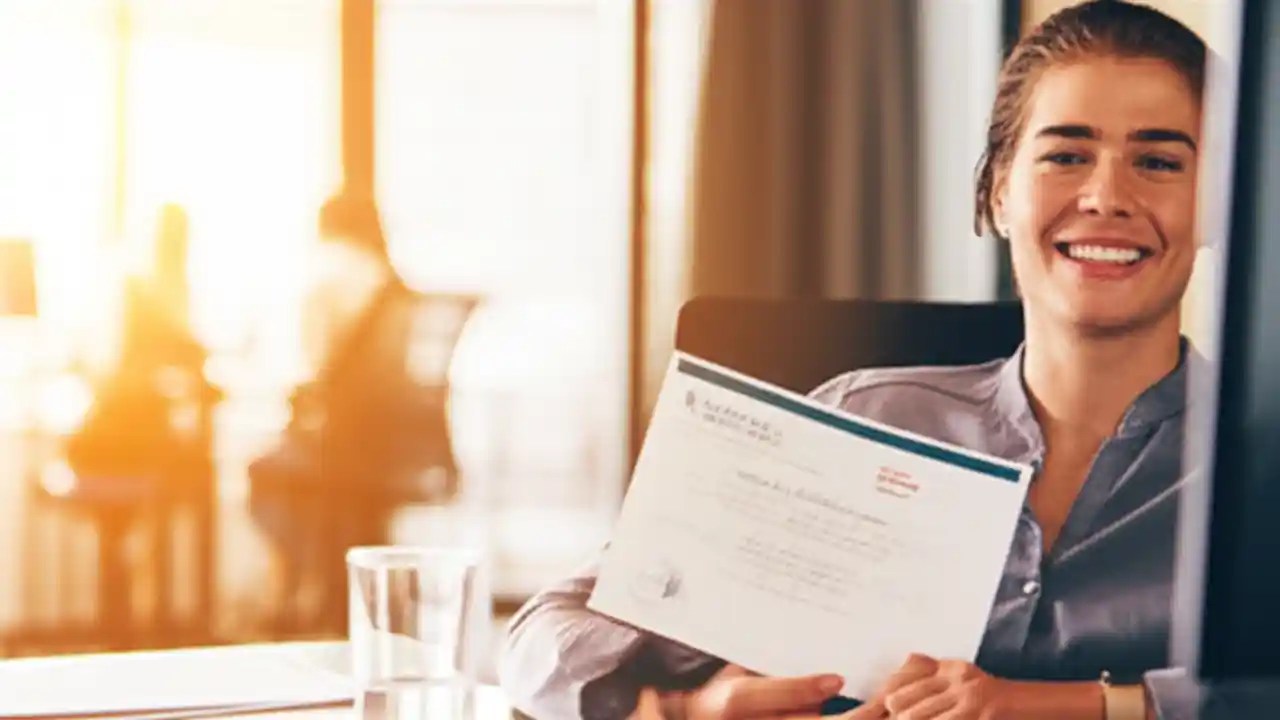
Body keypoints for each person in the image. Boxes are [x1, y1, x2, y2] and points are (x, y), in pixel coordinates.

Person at [499, 1, 1208, 718]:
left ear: (1215, 204)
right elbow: (543, 639)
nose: (1107, 196)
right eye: (1066, 155)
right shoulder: (862, 419)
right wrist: (687, 711)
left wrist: (1062, 706)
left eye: (1157, 161)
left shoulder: (1258, 466)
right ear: (998, 193)